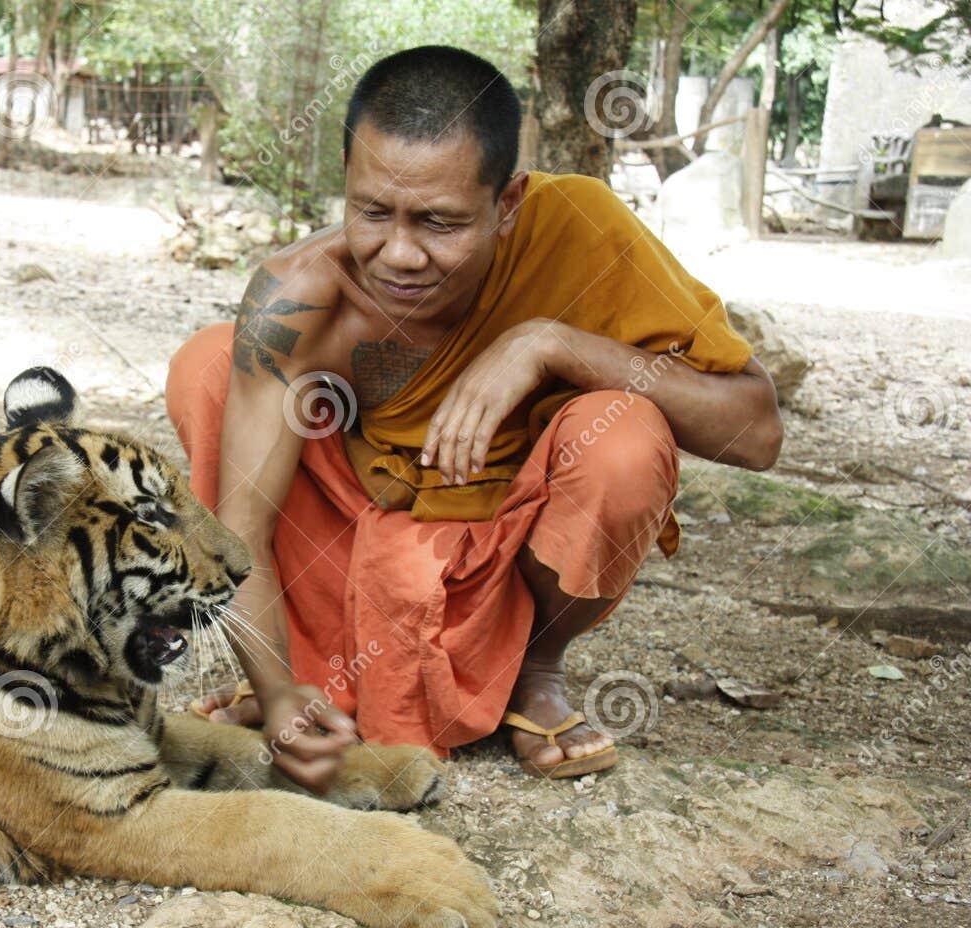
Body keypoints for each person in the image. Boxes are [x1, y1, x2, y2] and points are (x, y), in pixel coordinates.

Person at [166, 45, 782, 790]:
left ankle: (534, 669)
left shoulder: (579, 229)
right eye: (371, 212)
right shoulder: (300, 298)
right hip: (348, 546)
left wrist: (549, 344)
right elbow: (241, 535)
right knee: (208, 363)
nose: (399, 253)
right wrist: (275, 698)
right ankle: (303, 669)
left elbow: (756, 430)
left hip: (510, 554)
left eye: (439, 222)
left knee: (625, 438)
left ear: (509, 201)